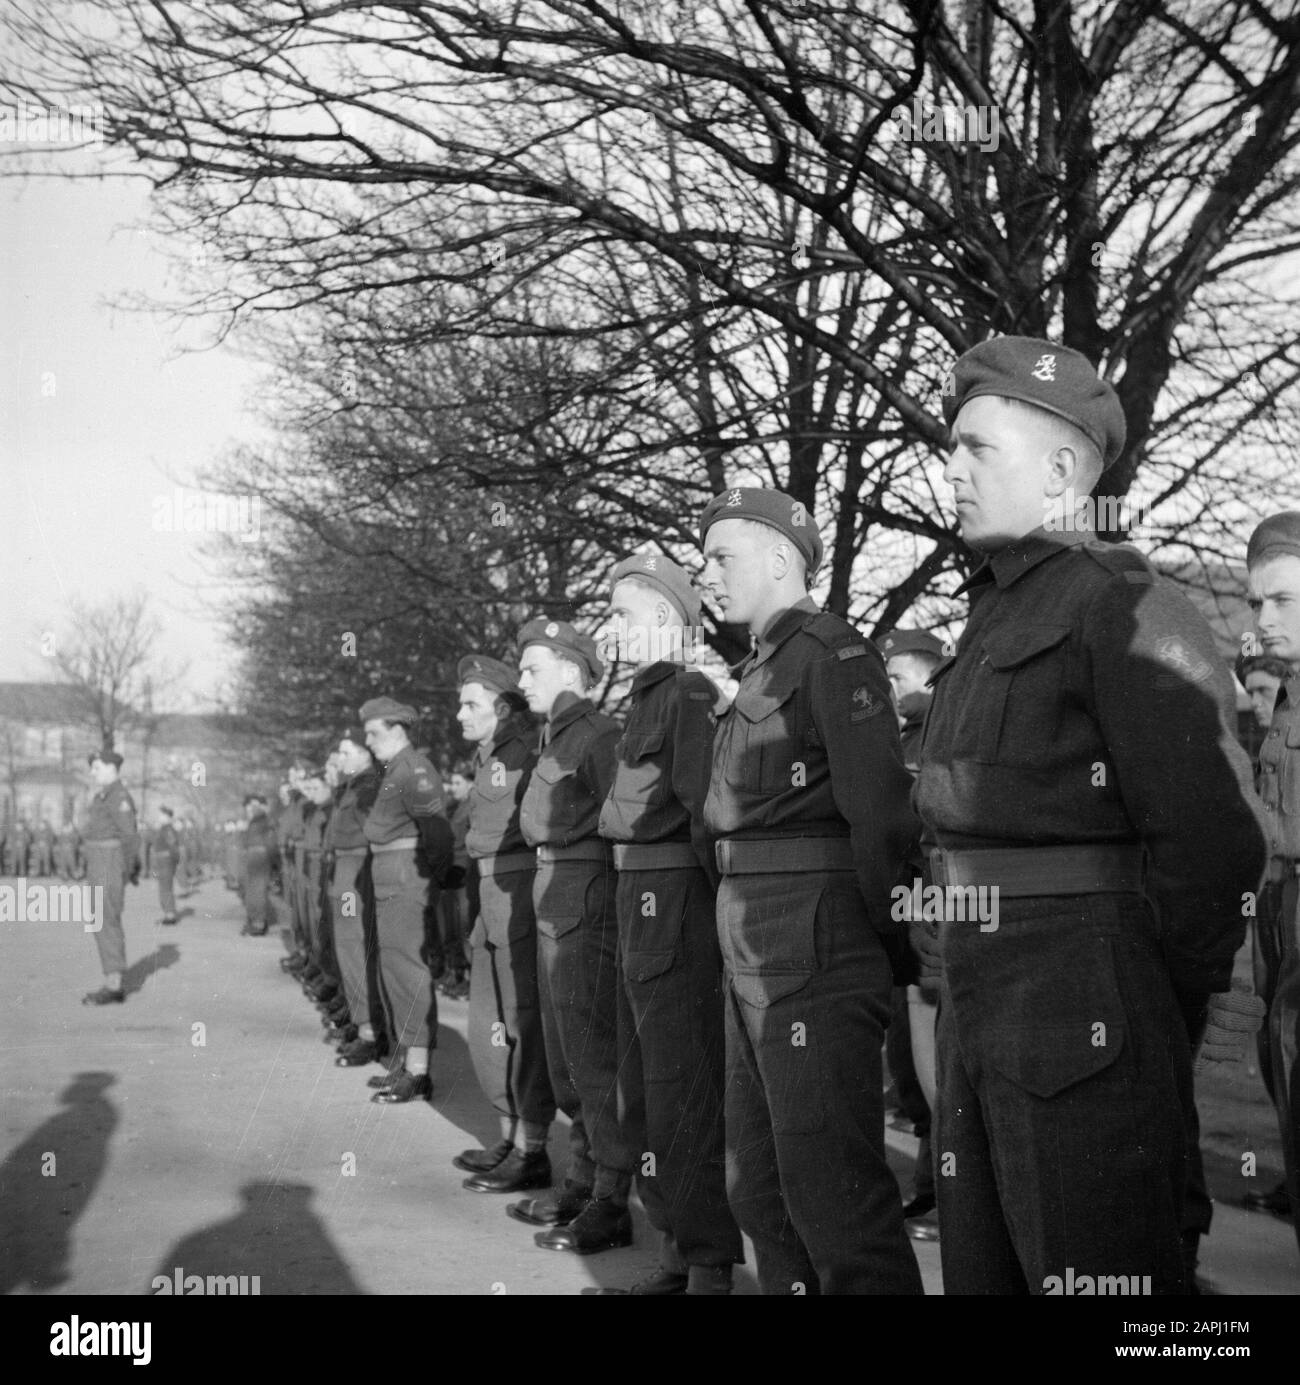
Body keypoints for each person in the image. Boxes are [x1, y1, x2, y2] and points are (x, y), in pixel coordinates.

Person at [915, 334, 1267, 1294]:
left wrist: (1151, 1002)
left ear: (1065, 469)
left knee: (1107, 1284)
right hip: (982, 999)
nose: (950, 469)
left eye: (977, 448)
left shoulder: (1121, 603)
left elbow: (1214, 838)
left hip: (1084, 1003)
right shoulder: (994, 615)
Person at [698, 487, 922, 1296]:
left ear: (782, 558)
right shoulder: (758, 668)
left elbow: (882, 817)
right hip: (752, 940)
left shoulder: (833, 655)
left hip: (817, 949)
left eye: (721, 556)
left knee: (835, 1195)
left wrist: (886, 945)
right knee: (759, 1186)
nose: (704, 575)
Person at [596, 553, 743, 1294]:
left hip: (672, 906)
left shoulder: (687, 692)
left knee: (681, 1089)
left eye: (620, 613)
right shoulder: (644, 697)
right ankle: (679, 1250)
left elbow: (701, 811)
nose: (609, 628)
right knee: (647, 1090)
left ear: (663, 617)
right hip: (638, 906)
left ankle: (707, 1262)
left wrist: (707, 912)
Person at [511, 618, 630, 1254]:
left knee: (592, 1054)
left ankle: (612, 1199)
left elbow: (623, 823)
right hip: (552, 890)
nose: (522, 679)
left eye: (533, 668)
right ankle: (582, 1179)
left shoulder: (598, 735)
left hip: (585, 894)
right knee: (565, 1057)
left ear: (571, 670)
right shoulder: (554, 738)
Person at [452, 655, 556, 1195]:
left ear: (500, 705)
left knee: (523, 1024)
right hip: (488, 889)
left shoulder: (530, 748)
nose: (459, 714)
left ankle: (532, 1148)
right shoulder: (487, 754)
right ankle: (508, 1134)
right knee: (486, 1026)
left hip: (517, 890)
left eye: (470, 704)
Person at [877, 627, 950, 1245]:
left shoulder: (947, 731)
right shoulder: (901, 737)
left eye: (898, 677)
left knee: (938, 1065)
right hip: (907, 905)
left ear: (930, 674)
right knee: (910, 1062)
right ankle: (931, 1184)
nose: (890, 689)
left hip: (940, 899)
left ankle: (951, 1194)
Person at [1244, 513, 1300, 1246]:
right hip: (1279, 900)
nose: (1262, 619)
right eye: (1258, 602)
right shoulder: (1285, 696)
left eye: (1282, 600)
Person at [361, 697, 456, 1104]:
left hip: (404, 875)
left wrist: (429, 880)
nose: (368, 741)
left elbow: (438, 833)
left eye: (373, 732)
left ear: (398, 729)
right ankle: (405, 1059)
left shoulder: (413, 768)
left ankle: (418, 1072)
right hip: (391, 873)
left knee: (407, 970)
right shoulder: (396, 769)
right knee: (393, 970)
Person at [327, 732, 385, 1069]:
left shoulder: (368, 788)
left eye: (347, 753)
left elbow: (373, 834)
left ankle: (369, 1031)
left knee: (354, 950)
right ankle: (361, 1020)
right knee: (348, 950)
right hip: (344, 872)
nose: (341, 759)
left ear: (365, 755)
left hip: (355, 874)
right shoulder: (353, 787)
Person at [80, 748, 142, 1006]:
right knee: (99, 919)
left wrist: (126, 870)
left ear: (112, 769)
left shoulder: (119, 797)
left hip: (109, 863)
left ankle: (114, 983)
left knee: (106, 919)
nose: (93, 772)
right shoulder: (103, 796)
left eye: (97, 767)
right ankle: (112, 977)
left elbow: (129, 837)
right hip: (98, 863)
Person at [436, 762, 473, 999]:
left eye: (458, 783)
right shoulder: (455, 806)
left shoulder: (471, 806)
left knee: (464, 928)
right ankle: (457, 972)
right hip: (452, 871)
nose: (453, 788)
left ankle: (469, 978)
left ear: (471, 784)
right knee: (451, 928)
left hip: (465, 873)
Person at [240, 795, 278, 937]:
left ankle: (259, 923)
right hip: (251, 857)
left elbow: (271, 843)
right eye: (248, 806)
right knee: (251, 891)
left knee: (258, 891)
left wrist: (272, 861)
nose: (250, 808)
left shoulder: (265, 821)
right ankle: (252, 920)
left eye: (253, 805)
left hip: (260, 857)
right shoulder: (253, 821)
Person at [151, 806, 180, 925]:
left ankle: (170, 914)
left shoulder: (168, 829)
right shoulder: (163, 829)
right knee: (163, 888)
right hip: (161, 861)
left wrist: (173, 863)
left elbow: (173, 847)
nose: (159, 817)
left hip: (166, 861)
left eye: (162, 815)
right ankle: (167, 913)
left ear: (168, 817)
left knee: (166, 888)